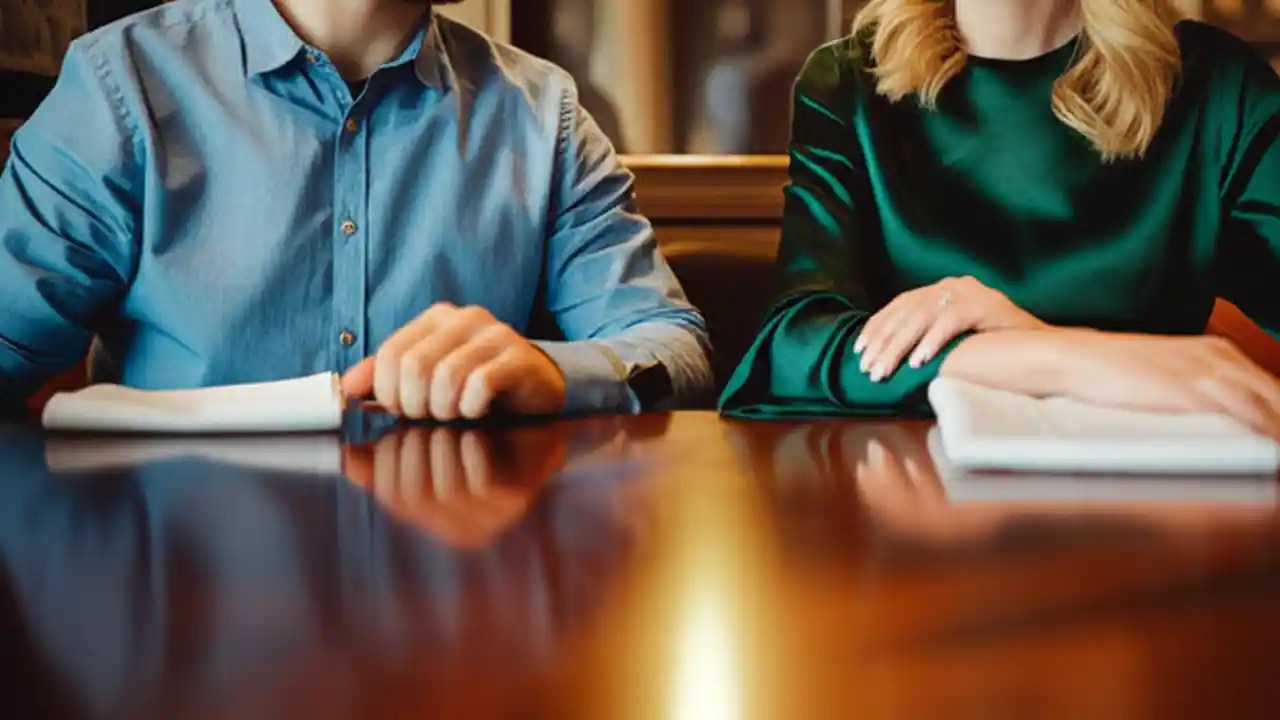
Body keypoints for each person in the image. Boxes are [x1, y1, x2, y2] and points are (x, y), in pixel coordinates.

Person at [0, 0, 712, 422]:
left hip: (459, 606)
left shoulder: (541, 114)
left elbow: (672, 346)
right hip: (176, 603)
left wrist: (555, 375)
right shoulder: (118, 89)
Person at [721, 0, 1280, 439]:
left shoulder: (1217, 86)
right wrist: (1067, 358)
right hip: (917, 519)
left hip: (1167, 522)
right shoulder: (847, 85)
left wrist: (1021, 340)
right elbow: (790, 350)